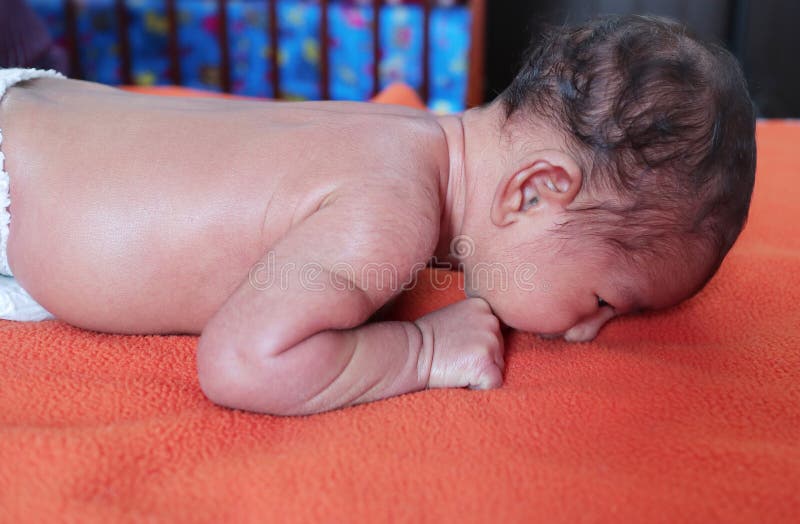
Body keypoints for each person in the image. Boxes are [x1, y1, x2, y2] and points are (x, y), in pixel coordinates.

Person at [0, 15, 755, 415]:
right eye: (604, 300)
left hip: (32, 104)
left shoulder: (407, 134)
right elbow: (243, 362)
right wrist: (422, 353)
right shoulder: (389, 214)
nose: (590, 330)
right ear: (534, 191)